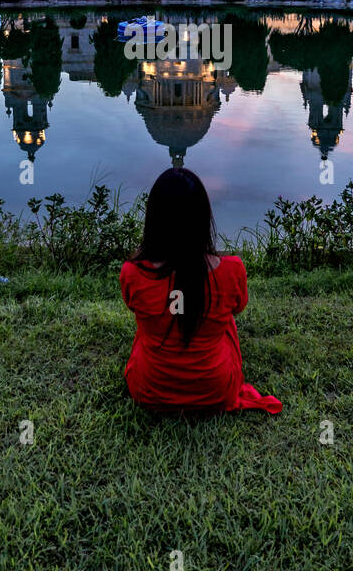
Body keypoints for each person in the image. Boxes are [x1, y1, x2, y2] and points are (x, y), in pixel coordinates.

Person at [120, 167, 282, 414]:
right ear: (203, 218)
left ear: (153, 218)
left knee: (151, 325)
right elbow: (237, 308)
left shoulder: (133, 273)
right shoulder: (231, 271)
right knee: (224, 320)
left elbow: (134, 306)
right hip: (215, 391)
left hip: (150, 390)